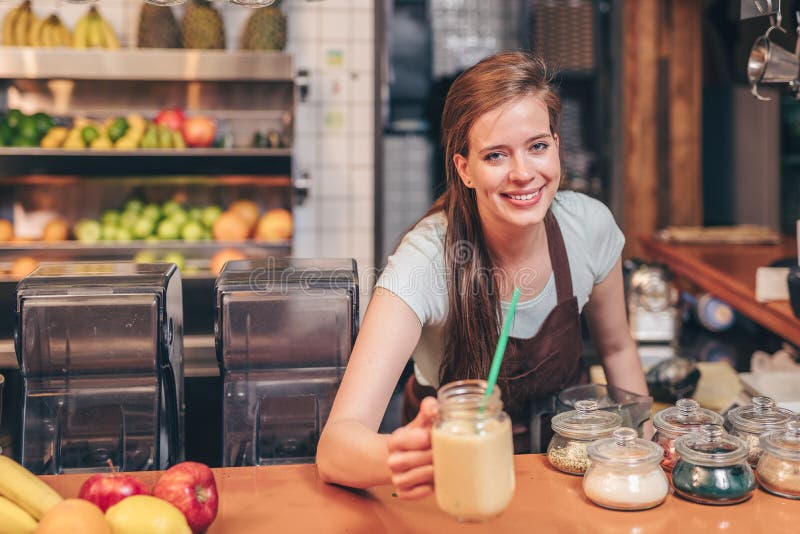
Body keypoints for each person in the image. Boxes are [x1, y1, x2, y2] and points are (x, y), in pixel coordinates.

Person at [316, 50, 648, 499]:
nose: (523, 174)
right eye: (495, 156)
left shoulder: (589, 228)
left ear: (557, 145)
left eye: (538, 146)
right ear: (464, 169)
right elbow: (336, 447)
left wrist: (641, 447)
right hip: (453, 482)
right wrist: (401, 456)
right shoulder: (425, 261)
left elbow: (618, 348)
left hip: (566, 472)